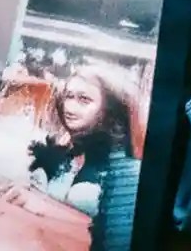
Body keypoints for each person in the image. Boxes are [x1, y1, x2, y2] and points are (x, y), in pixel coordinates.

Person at [26, 64, 144, 243]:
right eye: (68, 96)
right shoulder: (62, 155)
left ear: (110, 109)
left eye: (84, 99)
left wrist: (43, 208)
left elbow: (116, 235)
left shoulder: (125, 169)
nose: (70, 107)